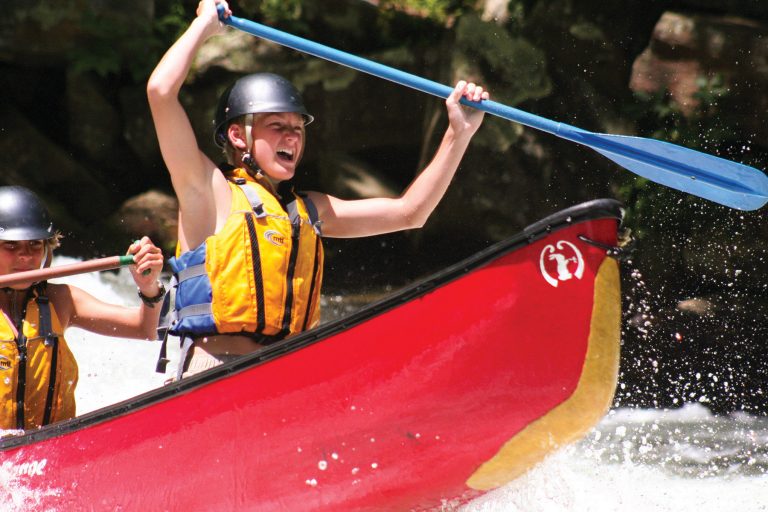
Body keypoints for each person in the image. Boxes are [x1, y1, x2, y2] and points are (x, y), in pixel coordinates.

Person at [146, 0, 489, 379]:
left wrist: (459, 133)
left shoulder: (311, 211)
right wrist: (204, 26)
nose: (292, 136)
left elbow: (411, 212)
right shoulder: (208, 191)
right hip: (216, 372)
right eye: (277, 125)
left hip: (289, 377)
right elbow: (161, 92)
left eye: (298, 128)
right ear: (237, 136)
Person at [0, 185, 165, 431]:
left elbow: (144, 328)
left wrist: (149, 286)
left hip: (51, 452)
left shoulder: (62, 301)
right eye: (11, 246)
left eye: (34, 244)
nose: (25, 255)